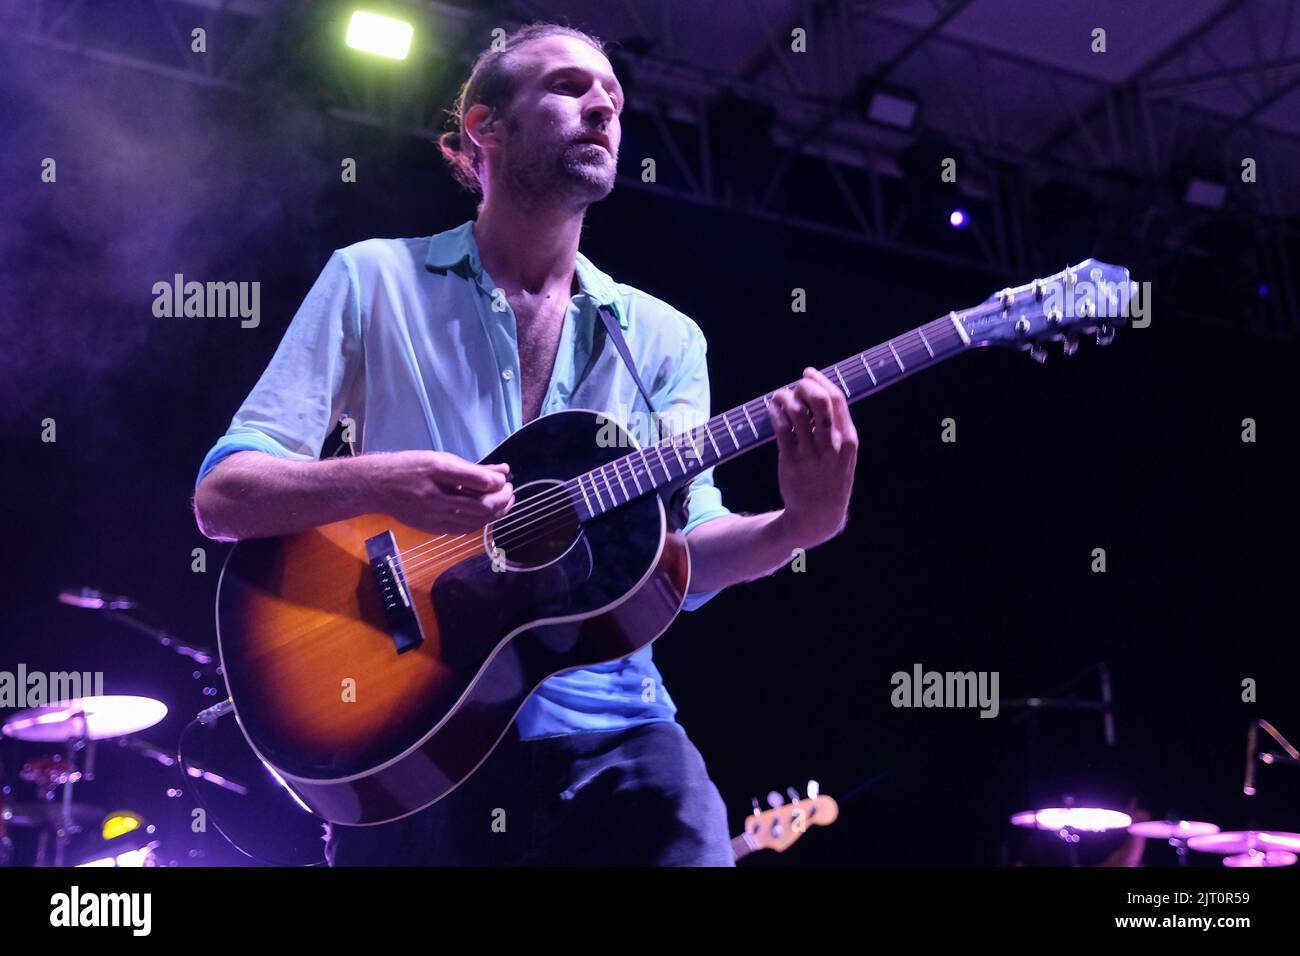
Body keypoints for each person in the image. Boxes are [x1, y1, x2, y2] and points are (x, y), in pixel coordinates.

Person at [193, 23, 859, 866]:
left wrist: (802, 524)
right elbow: (225, 496)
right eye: (570, 87)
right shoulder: (372, 279)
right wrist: (379, 481)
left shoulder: (662, 338)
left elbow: (685, 563)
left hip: (619, 735)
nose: (603, 109)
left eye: (613, 98)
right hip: (416, 729)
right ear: (484, 128)